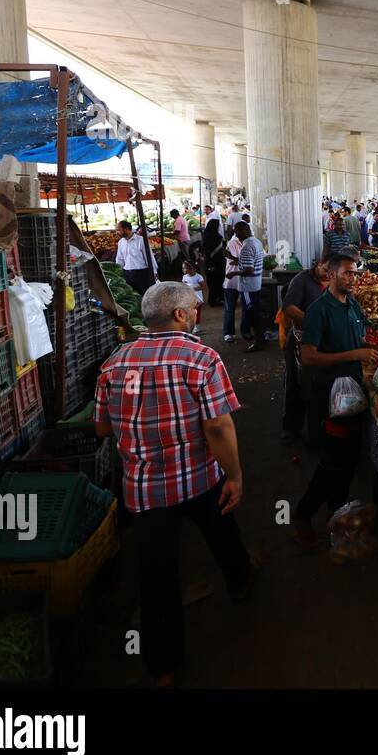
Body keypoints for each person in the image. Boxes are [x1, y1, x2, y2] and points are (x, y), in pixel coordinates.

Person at [94, 281, 253, 687]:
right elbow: (218, 426)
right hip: (199, 477)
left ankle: (163, 666)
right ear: (180, 315)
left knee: (157, 577)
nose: (198, 312)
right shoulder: (200, 359)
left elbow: (101, 427)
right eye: (194, 307)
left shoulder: (114, 363)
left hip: (145, 490)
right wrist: (234, 475)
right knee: (223, 531)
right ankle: (240, 583)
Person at [291, 249, 378, 549]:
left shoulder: (352, 305)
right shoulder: (318, 310)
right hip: (331, 398)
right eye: (348, 273)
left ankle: (336, 519)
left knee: (348, 459)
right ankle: (302, 514)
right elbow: (309, 356)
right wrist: (355, 355)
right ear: (331, 273)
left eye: (356, 273)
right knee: (333, 461)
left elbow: (359, 342)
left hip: (353, 394)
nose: (353, 278)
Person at [279, 257, 330, 446]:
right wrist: (312, 319)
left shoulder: (334, 281)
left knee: (318, 388)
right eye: (325, 269)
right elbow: (288, 307)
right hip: (300, 340)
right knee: (295, 384)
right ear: (317, 264)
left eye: (331, 272)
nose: (327, 274)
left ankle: (318, 432)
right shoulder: (302, 280)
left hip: (324, 343)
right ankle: (291, 427)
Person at [233, 221, 267, 352]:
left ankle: (259, 342)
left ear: (244, 230)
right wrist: (231, 257)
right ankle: (260, 338)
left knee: (252, 313)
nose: (236, 235)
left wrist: (233, 273)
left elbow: (249, 270)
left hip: (248, 286)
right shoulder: (256, 242)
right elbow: (248, 263)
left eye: (237, 231)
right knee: (255, 312)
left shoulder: (247, 246)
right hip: (255, 284)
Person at [116, 220, 158, 294]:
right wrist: (118, 273)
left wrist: (154, 272)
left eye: (118, 230)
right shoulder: (121, 242)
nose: (117, 232)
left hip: (141, 274)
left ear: (126, 229)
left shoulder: (141, 241)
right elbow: (120, 259)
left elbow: (149, 257)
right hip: (127, 274)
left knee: (144, 294)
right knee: (132, 296)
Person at [201, 205, 226, 306]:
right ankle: (215, 299)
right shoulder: (216, 237)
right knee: (217, 281)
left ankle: (215, 299)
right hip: (215, 263)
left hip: (211, 263)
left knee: (213, 282)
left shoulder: (206, 236)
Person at [222, 225, 242, 343]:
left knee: (246, 307)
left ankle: (246, 331)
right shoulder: (232, 243)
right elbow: (233, 260)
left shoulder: (249, 241)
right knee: (230, 308)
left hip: (244, 280)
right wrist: (246, 260)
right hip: (232, 280)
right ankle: (228, 332)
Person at [181, 260, 205, 335]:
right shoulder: (184, 277)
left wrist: (194, 288)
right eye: (183, 268)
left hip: (198, 298)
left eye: (185, 268)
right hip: (188, 297)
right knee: (188, 312)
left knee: (197, 312)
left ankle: (197, 327)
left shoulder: (198, 276)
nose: (183, 270)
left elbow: (203, 286)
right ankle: (190, 326)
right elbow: (183, 285)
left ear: (192, 268)